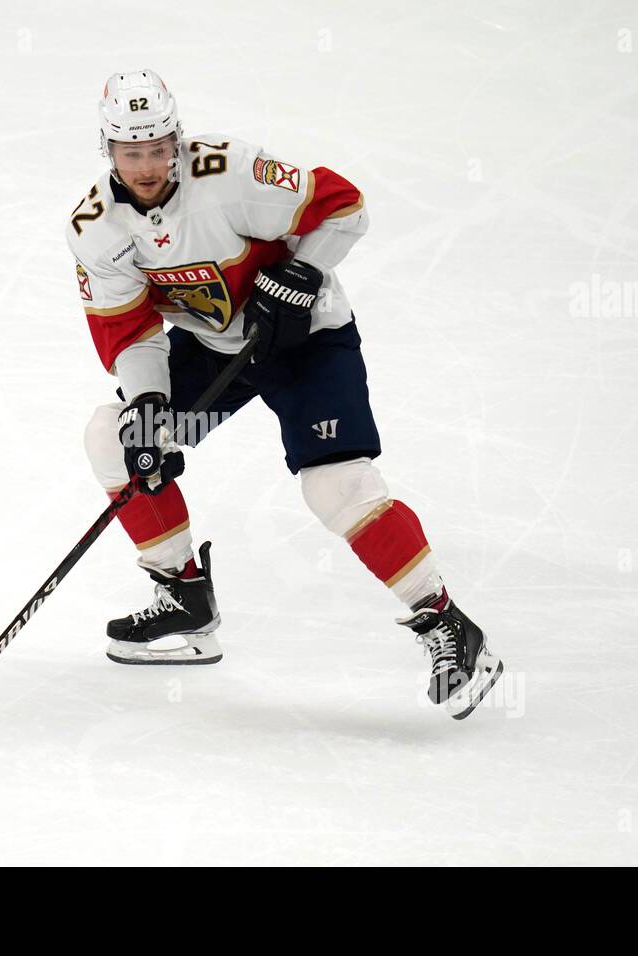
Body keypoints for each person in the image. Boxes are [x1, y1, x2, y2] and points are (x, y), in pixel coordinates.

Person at [66, 70, 503, 718]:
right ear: (109, 151)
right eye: (133, 152)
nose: (150, 163)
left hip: (305, 339)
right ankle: (184, 599)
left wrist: (300, 273)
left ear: (176, 139)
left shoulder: (227, 174)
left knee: (336, 486)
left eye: (159, 146)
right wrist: (152, 406)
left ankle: (448, 624)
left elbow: (343, 205)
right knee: (120, 438)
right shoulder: (95, 226)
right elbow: (127, 328)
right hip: (218, 351)